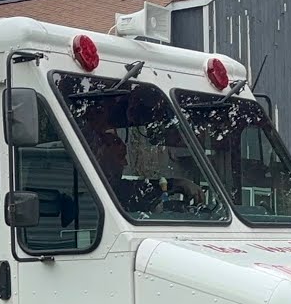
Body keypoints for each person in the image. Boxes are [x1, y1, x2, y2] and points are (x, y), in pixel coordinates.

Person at [77, 86, 205, 214]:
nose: (125, 163)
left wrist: (175, 190)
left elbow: (139, 192)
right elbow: (135, 191)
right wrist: (177, 184)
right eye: (121, 156)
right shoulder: (94, 185)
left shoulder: (113, 186)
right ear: (99, 153)